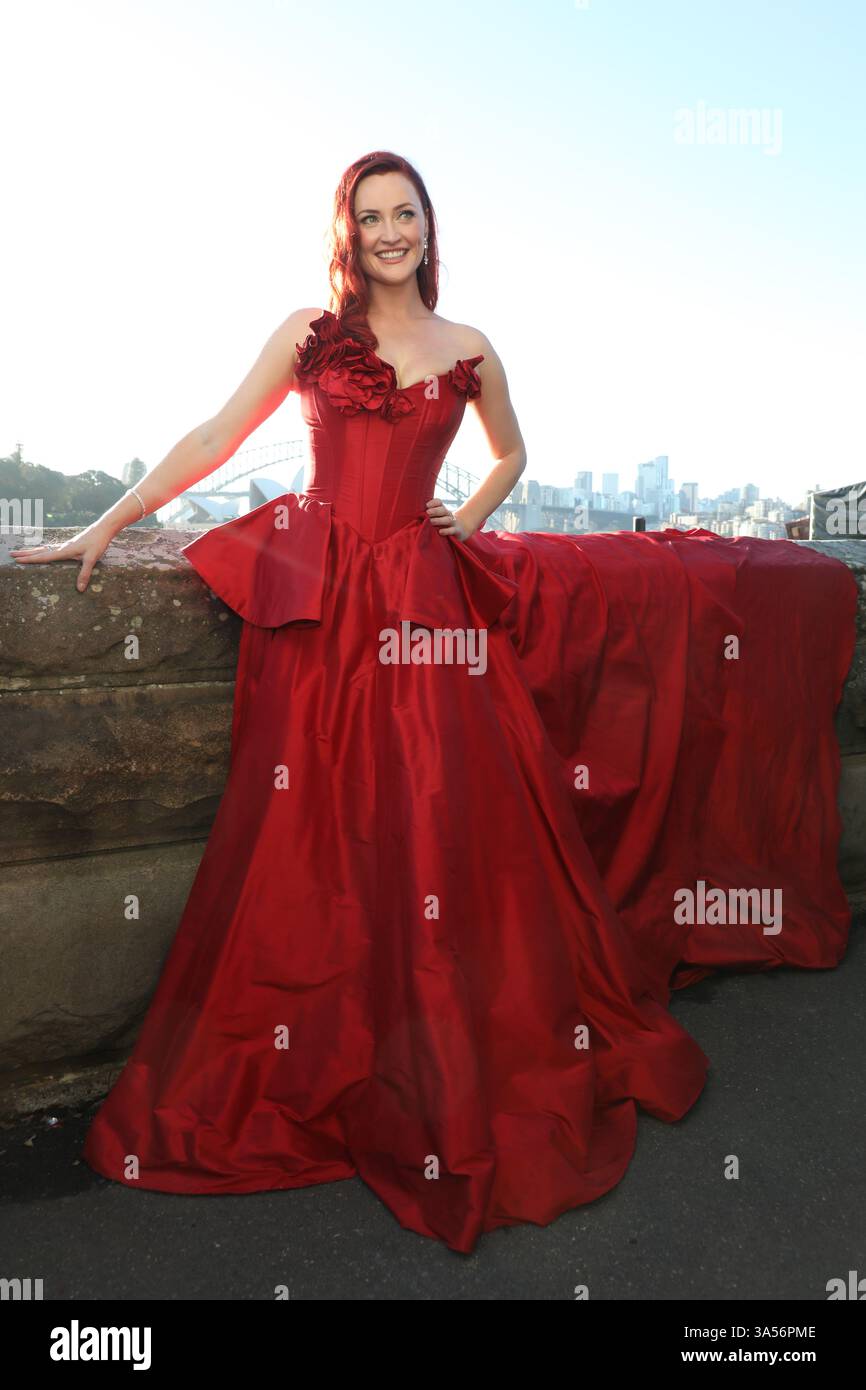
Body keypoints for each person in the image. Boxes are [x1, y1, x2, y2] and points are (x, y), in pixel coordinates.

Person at [11, 151, 857, 1256]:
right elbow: (216, 436)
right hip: (319, 608)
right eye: (369, 217)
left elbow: (512, 451)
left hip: (420, 603)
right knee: (307, 826)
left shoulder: (470, 348)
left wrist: (473, 510)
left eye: (404, 211)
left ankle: (432, 1066)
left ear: (427, 225)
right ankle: (330, 1052)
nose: (389, 230)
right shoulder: (307, 333)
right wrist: (110, 522)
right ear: (346, 233)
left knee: (426, 827)